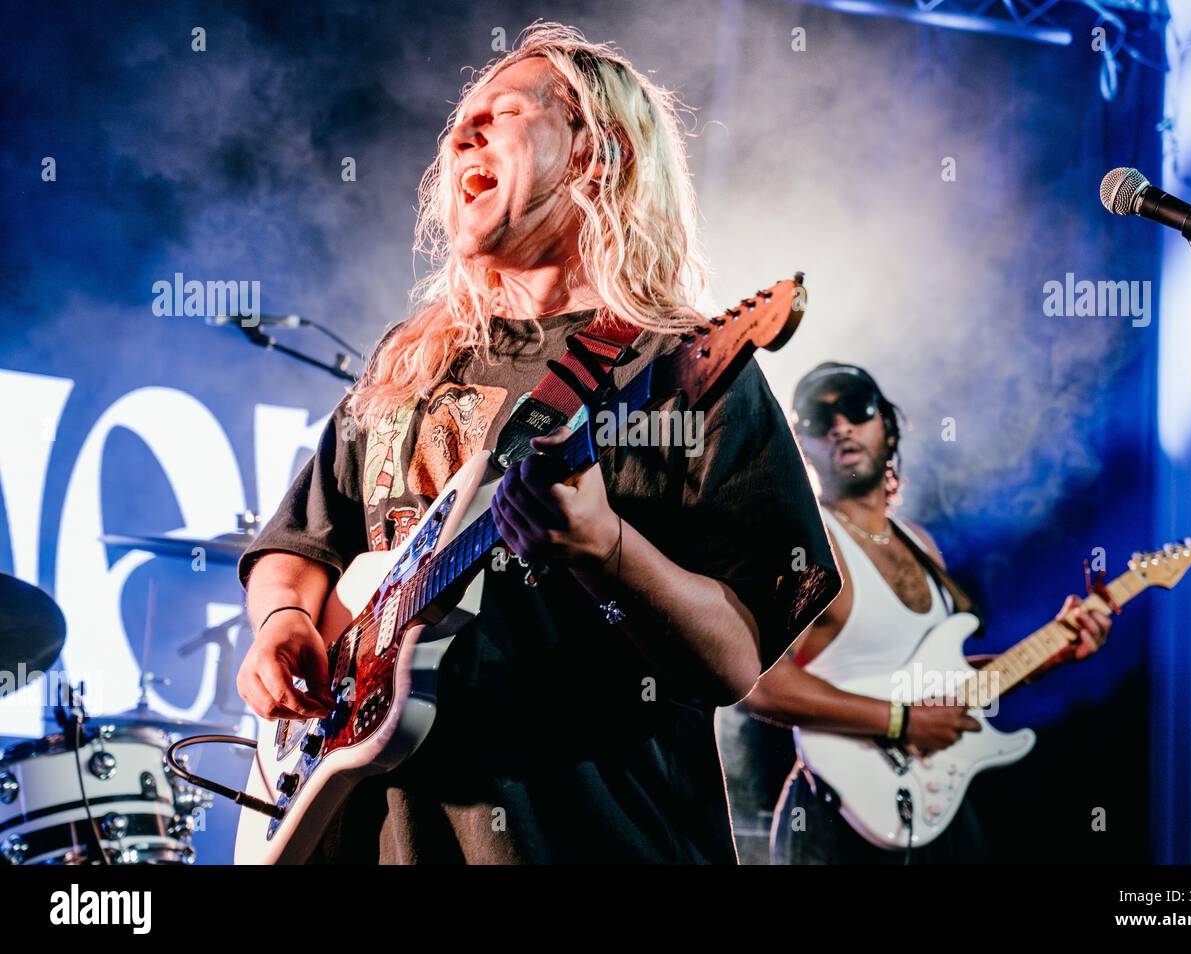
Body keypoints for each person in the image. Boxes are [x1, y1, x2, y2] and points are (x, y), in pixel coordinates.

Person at [234, 23, 839, 864]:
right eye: (458, 123)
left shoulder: (679, 368)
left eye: (504, 112)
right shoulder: (410, 361)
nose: (461, 133)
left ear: (601, 152)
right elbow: (299, 541)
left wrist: (604, 547)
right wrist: (285, 620)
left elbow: (736, 659)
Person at [742, 361, 1111, 864]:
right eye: (816, 419)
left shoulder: (920, 545)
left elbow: (939, 686)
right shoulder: (807, 545)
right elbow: (757, 683)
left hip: (932, 805)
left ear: (888, 428)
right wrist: (899, 721)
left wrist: (1050, 653)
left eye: (855, 407)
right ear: (802, 446)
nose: (840, 427)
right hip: (839, 817)